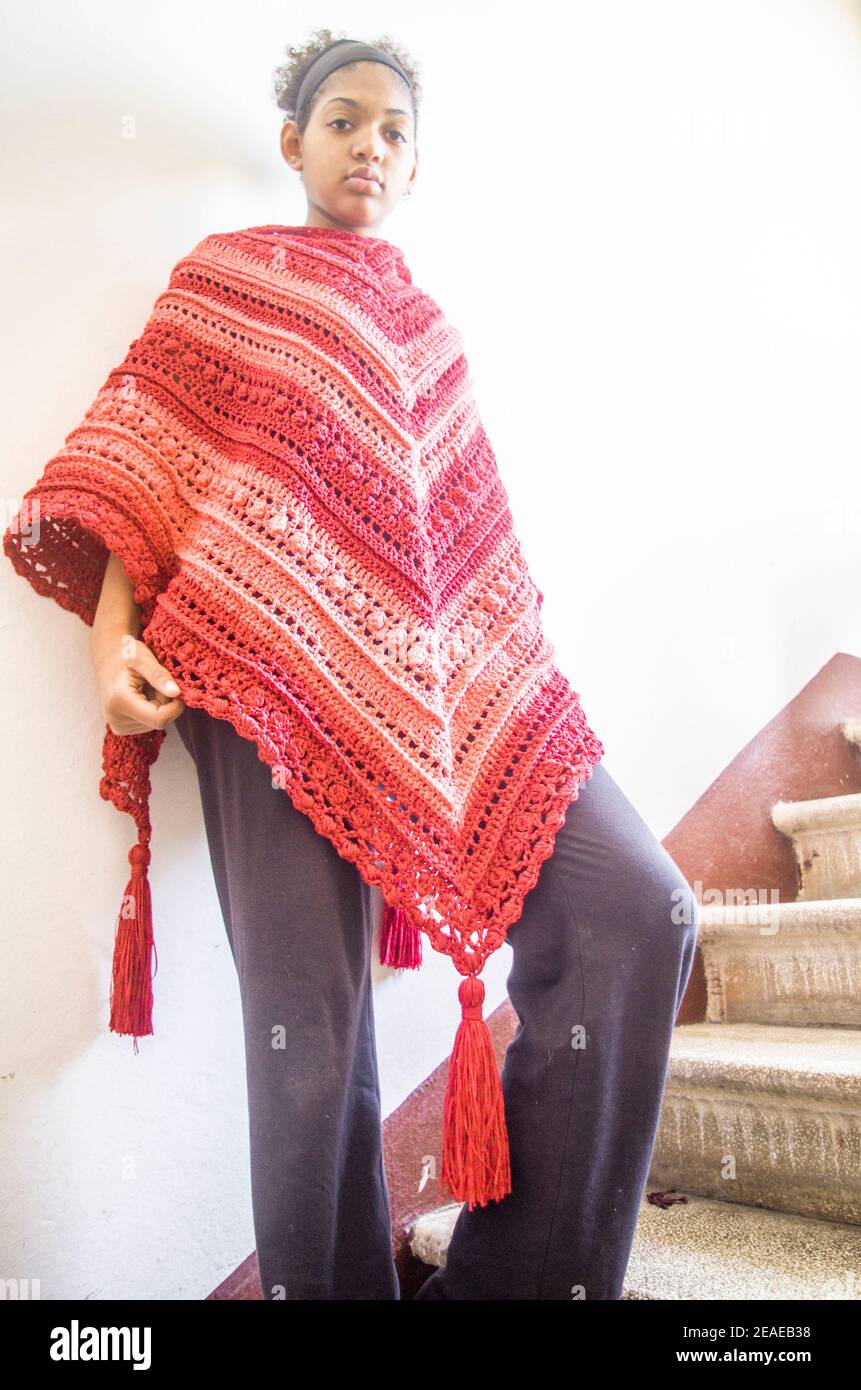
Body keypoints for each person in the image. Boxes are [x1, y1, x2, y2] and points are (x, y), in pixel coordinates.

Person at [5, 30, 698, 1300]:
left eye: (392, 130)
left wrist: (486, 701)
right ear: (293, 141)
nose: (367, 143)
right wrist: (111, 640)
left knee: (641, 906)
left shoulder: (430, 335)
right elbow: (145, 470)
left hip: (445, 705)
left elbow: (463, 566)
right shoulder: (228, 280)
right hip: (252, 675)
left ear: (416, 168)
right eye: (342, 119)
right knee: (309, 1042)